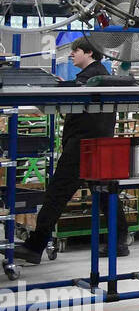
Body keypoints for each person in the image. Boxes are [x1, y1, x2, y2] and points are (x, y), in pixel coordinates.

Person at [16, 37, 123, 264]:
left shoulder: (91, 79)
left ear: (89, 54)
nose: (72, 54)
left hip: (82, 147)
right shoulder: (95, 77)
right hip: (99, 145)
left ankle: (35, 247)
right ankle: (120, 240)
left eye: (76, 51)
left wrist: (62, 90)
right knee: (105, 192)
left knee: (57, 193)